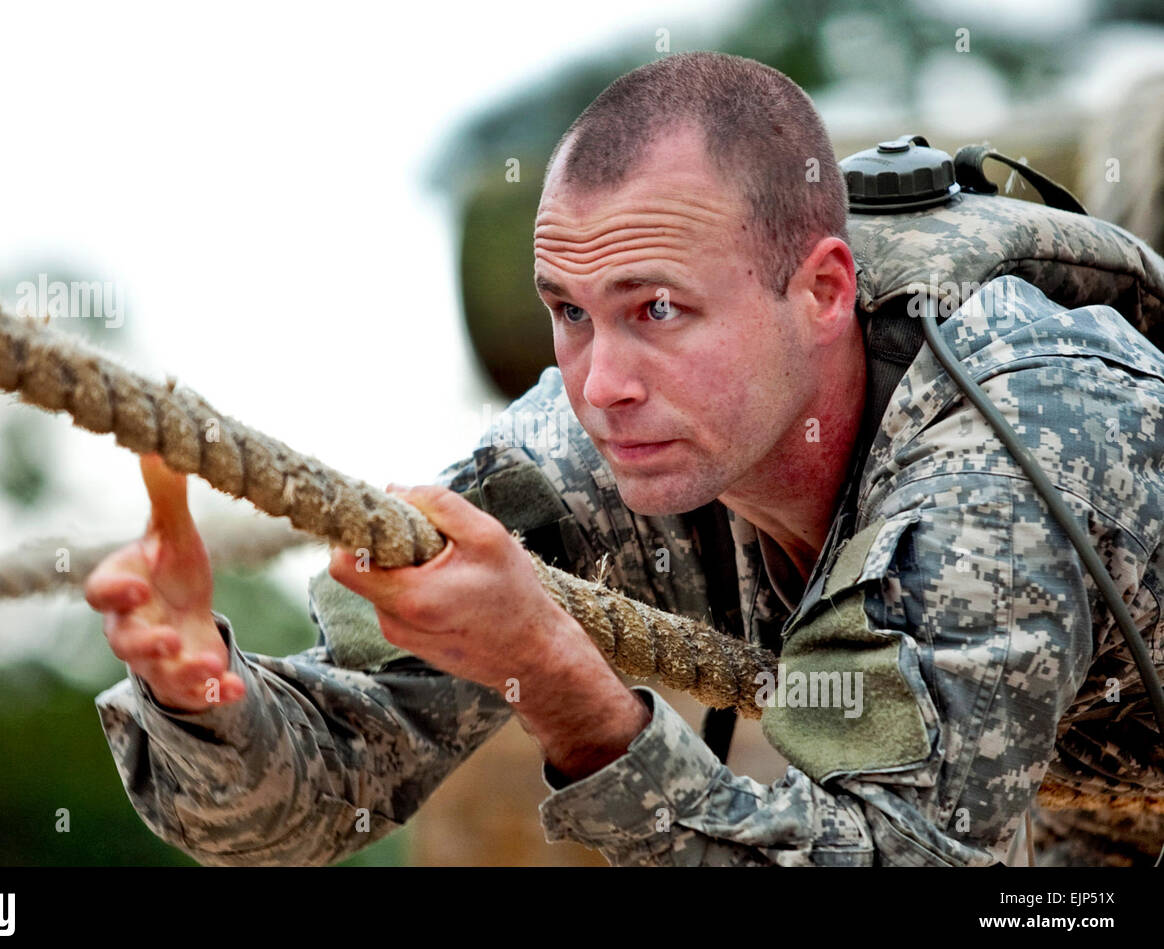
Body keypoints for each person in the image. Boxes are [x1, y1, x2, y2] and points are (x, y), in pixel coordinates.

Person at [88, 51, 1164, 866]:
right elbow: (327, 786)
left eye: (658, 308)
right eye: (568, 311)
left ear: (824, 293)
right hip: (1067, 806)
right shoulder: (576, 456)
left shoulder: (1015, 443)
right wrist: (206, 699)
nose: (600, 383)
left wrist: (570, 692)